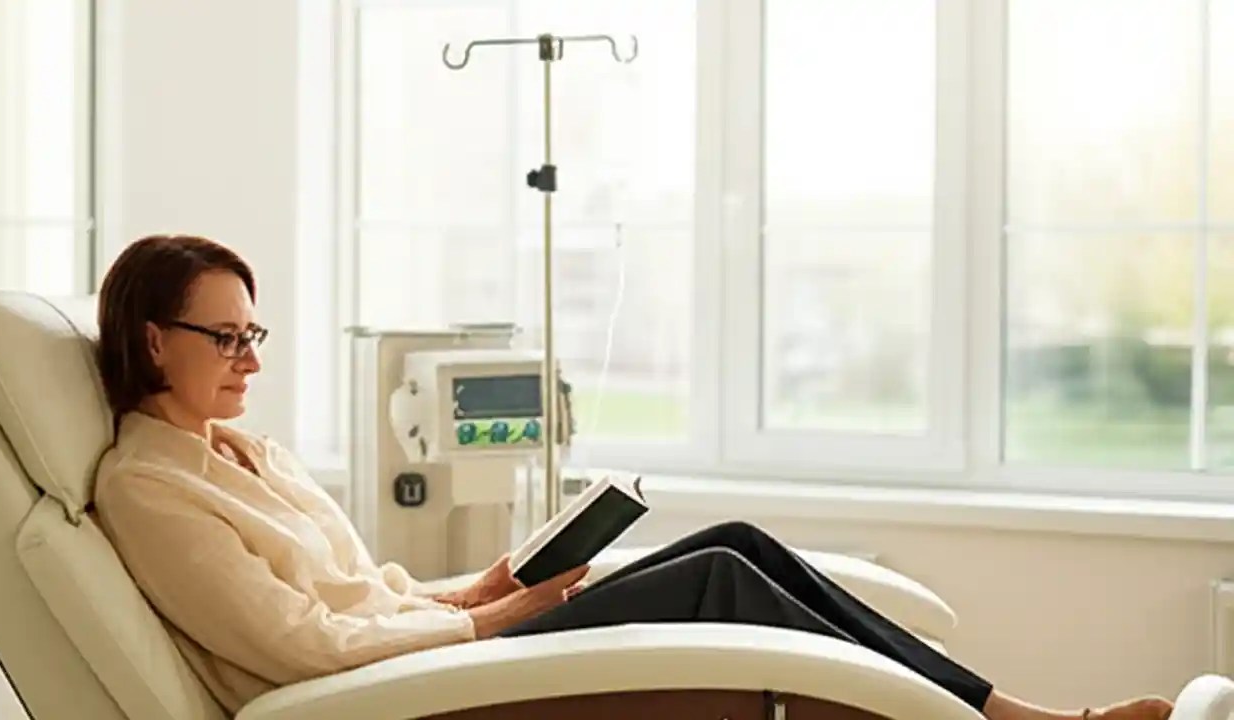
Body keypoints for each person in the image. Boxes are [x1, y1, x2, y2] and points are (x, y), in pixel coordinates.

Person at [92, 235, 1173, 720]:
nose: (250, 359)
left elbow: (364, 591)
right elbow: (300, 646)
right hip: (370, 699)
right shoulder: (149, 489)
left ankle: (996, 710)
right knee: (720, 579)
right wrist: (493, 622)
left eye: (253, 334)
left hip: (428, 642)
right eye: (226, 337)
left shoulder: (249, 452)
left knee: (735, 543)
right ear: (151, 341)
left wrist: (474, 588)